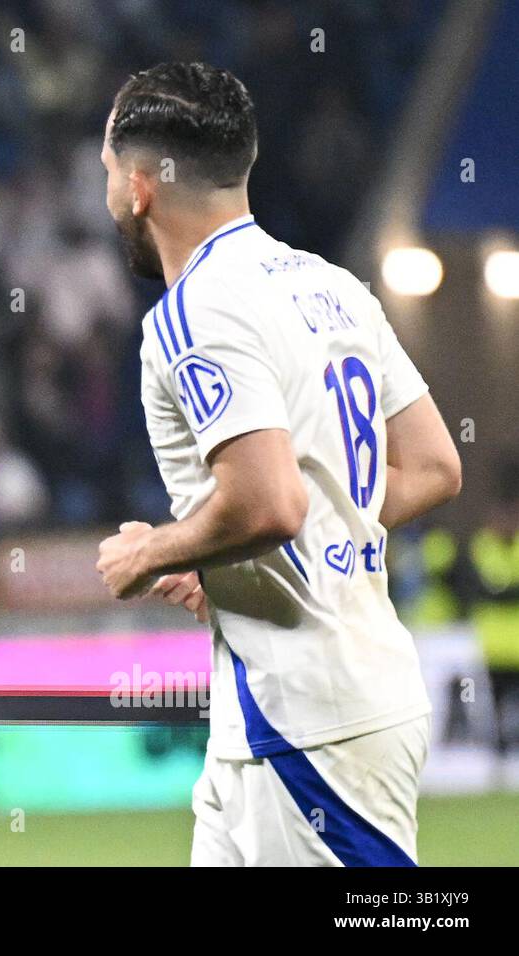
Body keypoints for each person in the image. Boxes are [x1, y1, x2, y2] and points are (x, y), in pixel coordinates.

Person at [94, 62, 461, 866]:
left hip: (309, 718)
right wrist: (219, 549)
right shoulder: (331, 285)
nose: (107, 192)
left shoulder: (193, 312)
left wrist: (150, 551)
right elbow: (434, 466)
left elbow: (271, 505)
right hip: (282, 709)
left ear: (142, 187)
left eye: (108, 171)